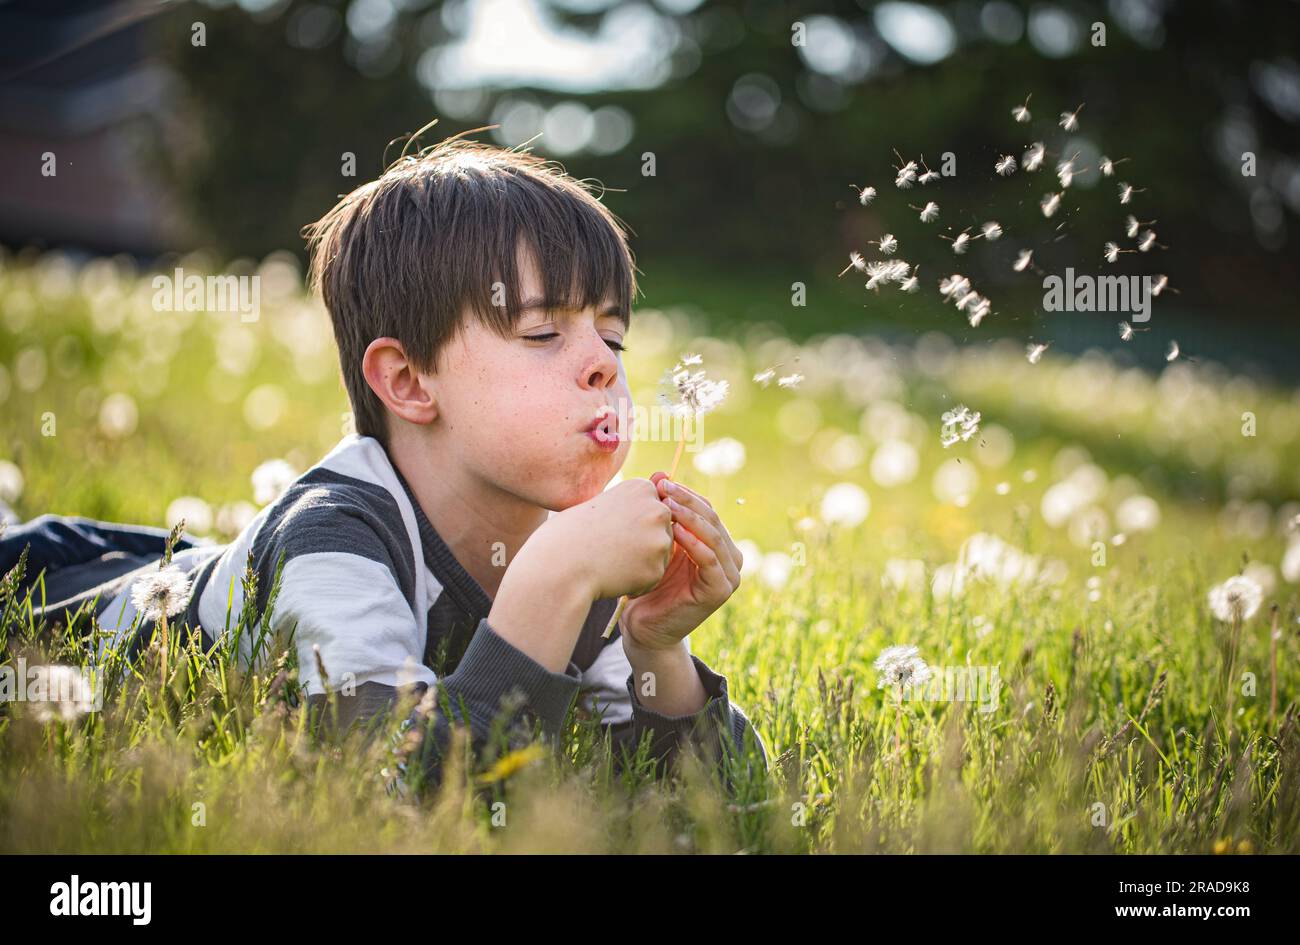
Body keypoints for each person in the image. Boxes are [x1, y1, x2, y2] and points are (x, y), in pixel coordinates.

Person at [0, 133, 767, 788]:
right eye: (543, 334)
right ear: (407, 381)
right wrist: (553, 581)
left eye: (613, 338)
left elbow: (711, 796)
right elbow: (392, 779)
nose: (603, 364)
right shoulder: (333, 537)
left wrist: (656, 646)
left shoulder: (576, 552)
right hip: (49, 591)